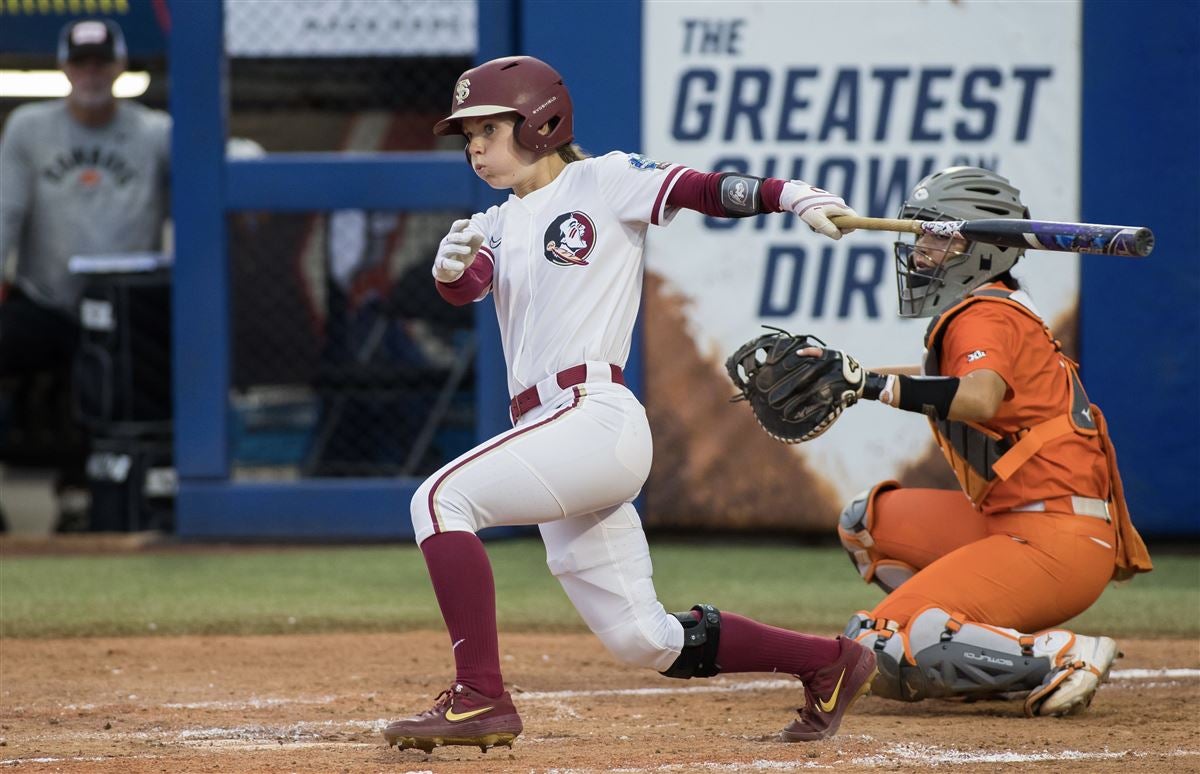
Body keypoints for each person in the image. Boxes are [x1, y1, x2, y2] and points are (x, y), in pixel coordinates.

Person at [382, 55, 874, 753]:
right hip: (553, 433)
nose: (476, 148)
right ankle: (829, 662)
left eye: (489, 129)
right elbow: (467, 286)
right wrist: (451, 267)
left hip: (591, 416)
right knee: (645, 639)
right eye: (468, 136)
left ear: (540, 121)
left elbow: (702, 189)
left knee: (439, 500)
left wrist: (788, 195)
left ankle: (479, 695)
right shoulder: (496, 221)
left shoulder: (602, 180)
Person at [793, 167, 1153, 716]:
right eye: (920, 233)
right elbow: (943, 381)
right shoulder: (993, 306)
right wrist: (851, 377)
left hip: (1055, 540)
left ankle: (1060, 656)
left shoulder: (984, 313)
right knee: (867, 523)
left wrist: (869, 385)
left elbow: (979, 399)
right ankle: (977, 647)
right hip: (1021, 523)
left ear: (980, 249)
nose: (920, 249)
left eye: (936, 236)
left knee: (877, 645)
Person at [0, 18, 171, 527]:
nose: (91, 73)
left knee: (125, 377)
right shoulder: (29, 128)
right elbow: (5, 210)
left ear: (120, 67)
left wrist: (250, 165)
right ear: (64, 67)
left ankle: (96, 499)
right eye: (81, 63)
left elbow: (213, 161)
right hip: (46, 300)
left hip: (124, 313)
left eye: (101, 63)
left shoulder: (154, 132)